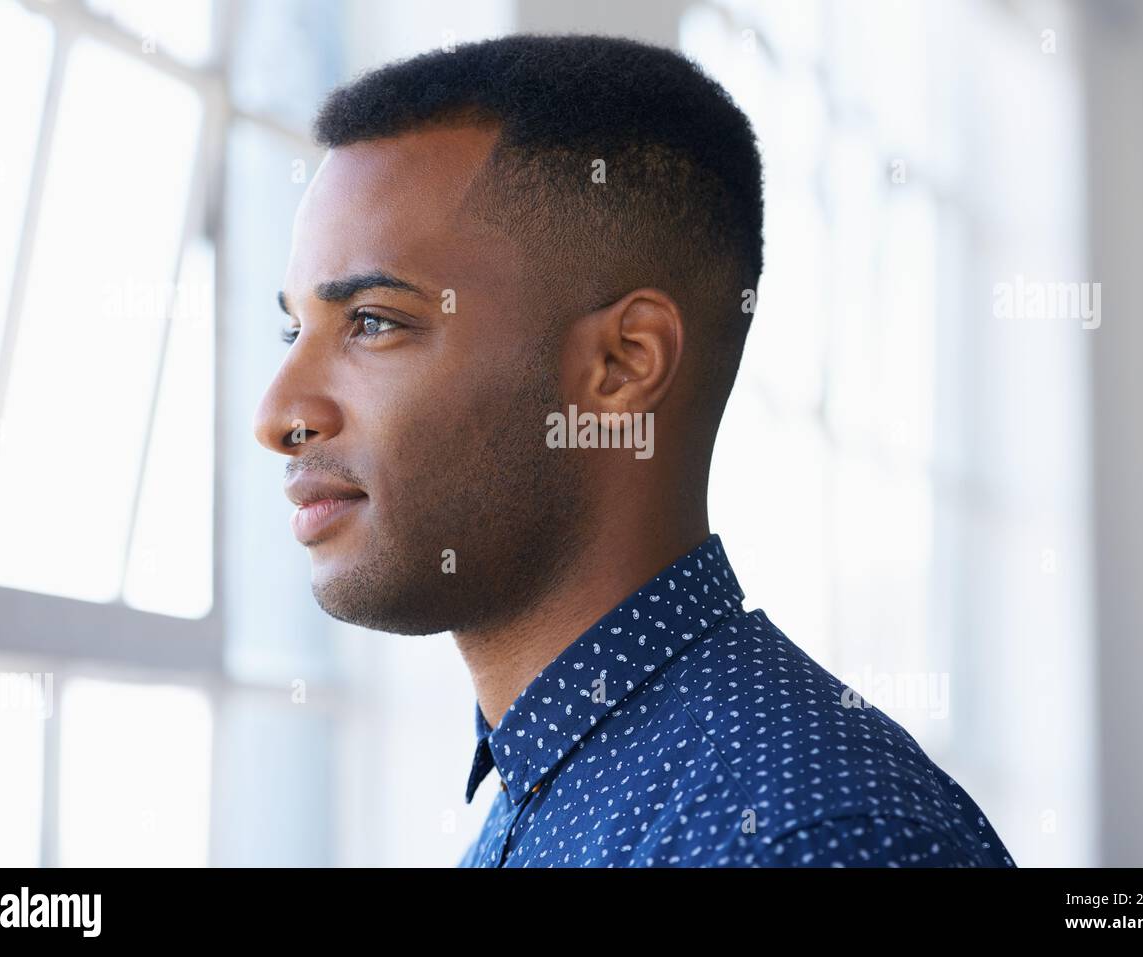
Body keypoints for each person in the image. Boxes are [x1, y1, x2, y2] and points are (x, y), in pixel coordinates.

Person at [254, 33, 1015, 868]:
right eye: (294, 330)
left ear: (623, 364)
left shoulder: (807, 838)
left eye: (372, 322)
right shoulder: (542, 789)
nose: (278, 415)